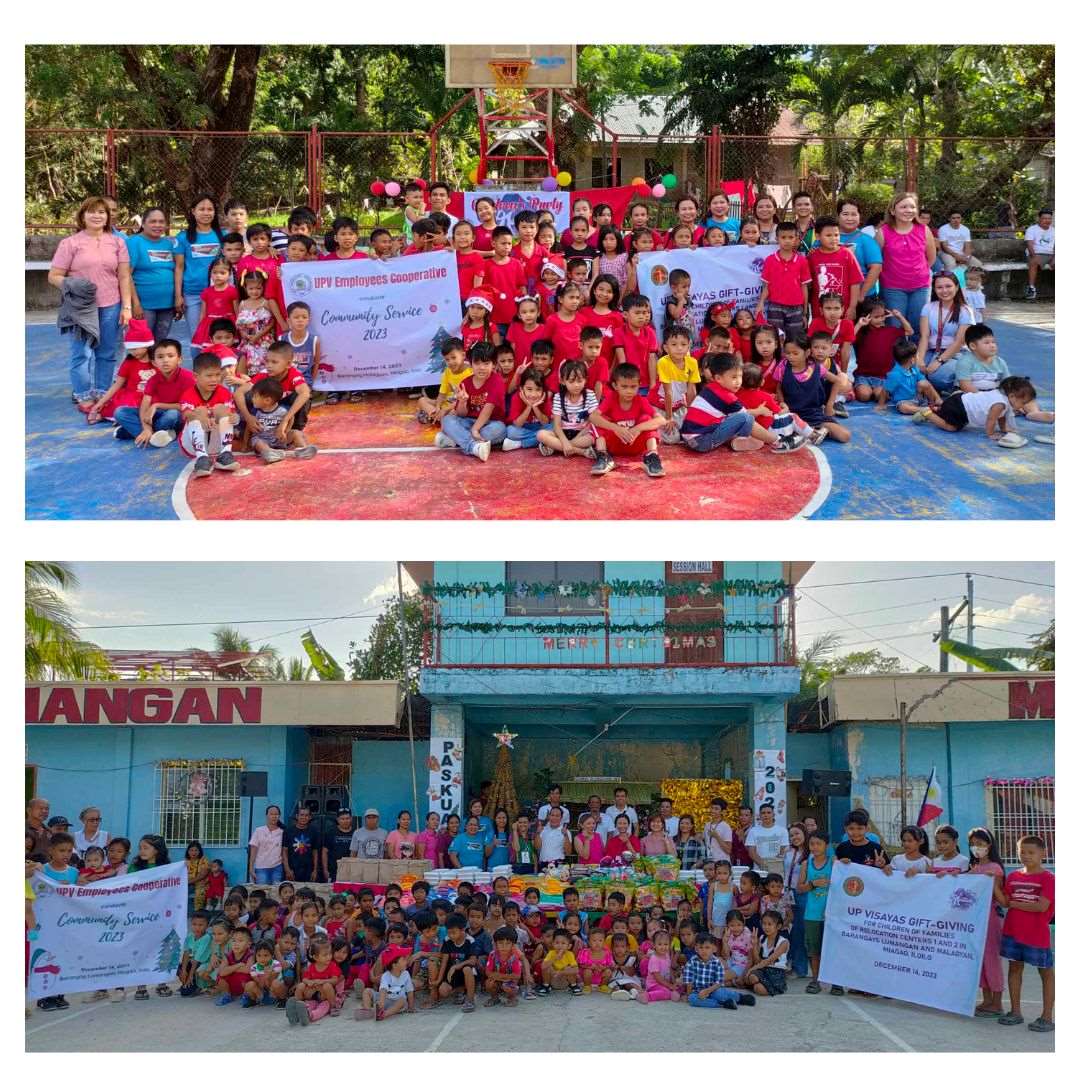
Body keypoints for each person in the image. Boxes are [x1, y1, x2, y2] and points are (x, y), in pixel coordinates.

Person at [49, 195, 133, 409]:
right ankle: (83, 394)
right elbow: (54, 275)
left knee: (106, 352)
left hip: (111, 305)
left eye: (102, 212)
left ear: (108, 217)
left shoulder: (118, 242)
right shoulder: (70, 243)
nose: (97, 216)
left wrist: (126, 307)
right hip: (81, 308)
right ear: (82, 215)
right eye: (92, 211)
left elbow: (124, 276)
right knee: (81, 353)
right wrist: (72, 285)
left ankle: (102, 393)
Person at [998, 835, 1054, 1032]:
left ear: (1043, 854)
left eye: (1031, 852)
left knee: (1045, 973)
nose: (1026, 856)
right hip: (1012, 932)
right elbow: (1004, 901)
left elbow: (1041, 906)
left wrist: (1013, 904)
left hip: (1036, 935)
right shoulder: (1013, 877)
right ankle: (1015, 1012)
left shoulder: (1048, 878)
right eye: (1022, 852)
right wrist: (992, 882)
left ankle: (1047, 1016)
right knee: (1014, 970)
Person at [589, 362, 667, 477]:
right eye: (624, 387)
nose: (629, 391)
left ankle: (652, 457)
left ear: (639, 385)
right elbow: (593, 417)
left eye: (633, 386)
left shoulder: (641, 400)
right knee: (600, 420)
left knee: (647, 419)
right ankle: (603, 456)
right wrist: (616, 428)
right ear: (615, 386)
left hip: (635, 445)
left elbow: (661, 420)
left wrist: (637, 429)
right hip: (614, 445)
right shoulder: (611, 399)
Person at [773, 333, 850, 444]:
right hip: (792, 415)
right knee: (778, 434)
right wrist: (782, 403)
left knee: (844, 436)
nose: (790, 357)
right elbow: (779, 388)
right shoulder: (783, 366)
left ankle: (811, 431)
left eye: (795, 353)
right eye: (787, 353)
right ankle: (811, 432)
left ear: (807, 353)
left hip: (814, 414)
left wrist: (829, 405)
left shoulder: (815, 367)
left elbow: (837, 381)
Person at [912, 374, 1036, 441]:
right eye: (1023, 402)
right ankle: (928, 413)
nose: (1024, 406)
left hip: (959, 401)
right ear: (1013, 396)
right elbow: (991, 420)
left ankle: (938, 410)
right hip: (959, 408)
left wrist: (1004, 429)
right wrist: (991, 434)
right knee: (952, 427)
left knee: (948, 414)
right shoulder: (1000, 404)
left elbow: (1001, 417)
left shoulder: (1002, 399)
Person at [875, 192, 935, 331]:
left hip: (920, 287)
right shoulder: (883, 232)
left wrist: (917, 273)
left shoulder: (924, 230)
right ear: (892, 210)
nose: (908, 210)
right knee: (895, 326)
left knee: (917, 325)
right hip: (892, 288)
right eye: (903, 207)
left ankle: (915, 353)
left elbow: (931, 258)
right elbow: (877, 261)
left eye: (912, 207)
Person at [173, 193, 224, 352]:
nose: (206, 213)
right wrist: (178, 296)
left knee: (221, 337)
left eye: (210, 209)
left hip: (220, 294)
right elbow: (179, 267)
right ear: (193, 211)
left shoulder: (223, 235)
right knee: (198, 337)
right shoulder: (183, 237)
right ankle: (199, 374)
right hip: (194, 295)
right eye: (201, 209)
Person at [967, 826, 1008, 1018]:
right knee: (980, 959)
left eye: (980, 844)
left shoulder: (994, 868)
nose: (976, 847)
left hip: (991, 918)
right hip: (976, 919)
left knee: (991, 958)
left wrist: (989, 881)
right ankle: (987, 1000)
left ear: (989, 845)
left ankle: (997, 1002)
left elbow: (1000, 899)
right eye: (973, 844)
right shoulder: (973, 867)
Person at [915, 271, 976, 394]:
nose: (944, 291)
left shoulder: (965, 311)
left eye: (948, 286)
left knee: (937, 377)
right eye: (939, 287)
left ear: (957, 287)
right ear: (934, 289)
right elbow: (924, 336)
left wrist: (939, 361)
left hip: (956, 353)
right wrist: (919, 359)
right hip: (931, 351)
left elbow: (959, 342)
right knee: (914, 373)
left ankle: (965, 381)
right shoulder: (928, 307)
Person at [125, 207, 178, 342]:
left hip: (167, 305)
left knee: (159, 347)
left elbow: (177, 270)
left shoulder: (169, 244)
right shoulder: (134, 242)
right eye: (153, 221)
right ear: (143, 223)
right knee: (141, 346)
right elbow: (126, 275)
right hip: (144, 306)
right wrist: (135, 304)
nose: (158, 225)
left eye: (161, 222)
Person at [755, 221, 811, 339]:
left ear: (796, 239)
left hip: (796, 308)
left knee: (795, 339)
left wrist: (805, 313)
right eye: (783, 237)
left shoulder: (802, 261)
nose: (787, 240)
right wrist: (760, 304)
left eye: (791, 237)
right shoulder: (770, 260)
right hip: (775, 306)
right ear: (777, 238)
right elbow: (766, 286)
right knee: (776, 337)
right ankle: (779, 358)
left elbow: (804, 287)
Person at [798, 830, 834, 994]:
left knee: (832, 948)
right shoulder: (806, 864)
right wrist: (813, 884)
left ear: (826, 845)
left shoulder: (834, 862)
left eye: (819, 843)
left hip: (832, 914)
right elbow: (799, 888)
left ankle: (836, 982)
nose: (815, 847)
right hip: (812, 913)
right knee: (813, 949)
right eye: (812, 843)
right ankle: (815, 979)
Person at [684, 931, 749, 1009]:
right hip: (697, 991)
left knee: (720, 994)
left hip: (713, 989)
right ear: (696, 949)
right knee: (692, 999)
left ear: (714, 949)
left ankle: (739, 998)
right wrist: (689, 994)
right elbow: (689, 980)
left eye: (707, 947)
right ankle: (721, 1004)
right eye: (701, 947)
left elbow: (719, 982)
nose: (704, 951)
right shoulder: (691, 962)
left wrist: (708, 991)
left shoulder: (717, 962)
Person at [834, 198, 883, 300]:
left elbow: (876, 267)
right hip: (832, 298)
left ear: (859, 217)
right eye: (845, 214)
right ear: (838, 216)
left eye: (854, 214)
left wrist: (861, 294)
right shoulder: (826, 236)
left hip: (863, 297)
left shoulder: (867, 240)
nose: (850, 218)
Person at [433, 913, 479, 1011]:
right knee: (443, 992)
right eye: (449, 932)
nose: (451, 935)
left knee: (467, 969)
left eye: (453, 932)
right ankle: (460, 991)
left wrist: (456, 966)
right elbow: (444, 961)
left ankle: (470, 1000)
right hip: (452, 974)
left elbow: (473, 960)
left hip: (467, 972)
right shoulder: (447, 940)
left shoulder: (470, 941)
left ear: (462, 930)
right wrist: (439, 980)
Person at [246, 804, 285, 885]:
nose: (274, 816)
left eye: (276, 814)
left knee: (276, 891)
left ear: (279, 816)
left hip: (277, 867)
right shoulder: (259, 831)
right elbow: (253, 851)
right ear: (267, 815)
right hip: (261, 868)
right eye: (271, 814)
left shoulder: (282, 832)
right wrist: (251, 868)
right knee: (262, 891)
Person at [281, 806, 321, 883]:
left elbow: (315, 852)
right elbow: (284, 851)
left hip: (308, 870)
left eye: (306, 815)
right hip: (292, 869)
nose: (304, 817)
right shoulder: (288, 831)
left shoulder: (314, 832)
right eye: (301, 815)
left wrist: (315, 870)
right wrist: (287, 869)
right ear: (297, 816)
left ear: (310, 817)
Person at [1024, 209, 1054, 299]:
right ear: (1039, 219)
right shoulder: (1032, 229)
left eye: (1049, 218)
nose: (1047, 220)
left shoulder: (1054, 230)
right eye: (1044, 218)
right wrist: (1034, 256)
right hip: (1036, 253)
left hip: (1050, 254)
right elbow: (1030, 245)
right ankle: (1031, 288)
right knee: (1034, 262)